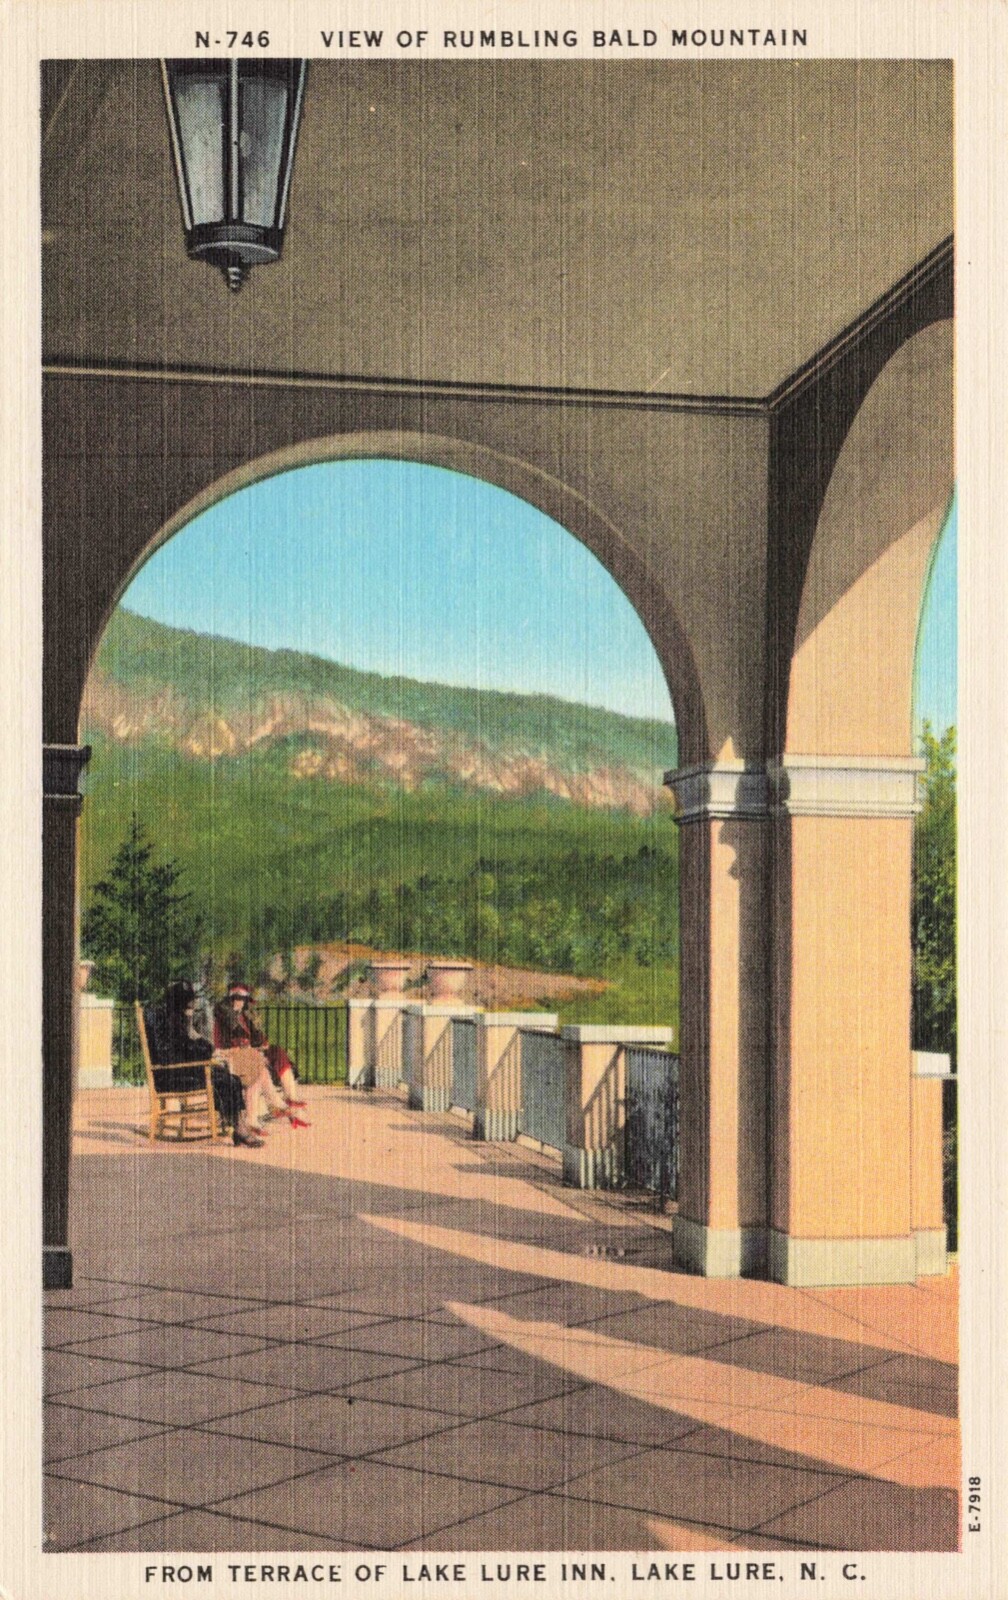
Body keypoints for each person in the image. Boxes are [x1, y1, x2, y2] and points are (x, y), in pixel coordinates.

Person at [144, 979, 264, 1149]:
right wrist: (203, 1049)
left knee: (231, 1079)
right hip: (171, 1076)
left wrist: (197, 1043)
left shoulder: (172, 1018)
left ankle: (237, 1125)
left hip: (180, 1071)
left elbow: (186, 1046)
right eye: (189, 1000)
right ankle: (239, 1129)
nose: (192, 1004)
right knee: (226, 1081)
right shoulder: (171, 1021)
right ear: (181, 1001)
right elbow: (175, 1052)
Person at [214, 984, 309, 1124]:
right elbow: (226, 1045)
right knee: (259, 1065)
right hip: (232, 1056)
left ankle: (291, 1097)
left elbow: (256, 1040)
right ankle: (275, 1106)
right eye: (236, 999)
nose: (239, 1002)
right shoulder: (224, 1018)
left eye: (242, 999)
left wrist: (260, 1043)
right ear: (230, 1000)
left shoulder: (244, 1018)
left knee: (277, 1052)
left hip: (250, 1053)